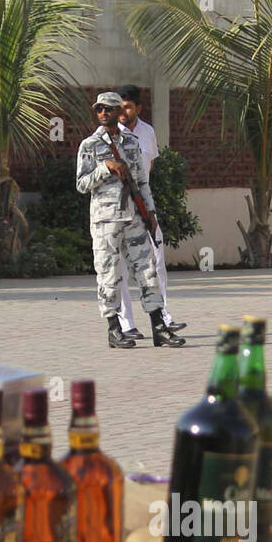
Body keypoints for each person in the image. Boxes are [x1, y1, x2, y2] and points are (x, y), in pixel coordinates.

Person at [75, 92, 185, 349]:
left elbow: (142, 183)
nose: (103, 113)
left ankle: (159, 327)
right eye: (99, 109)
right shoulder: (89, 146)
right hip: (106, 221)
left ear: (118, 112)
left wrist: (151, 215)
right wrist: (106, 168)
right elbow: (81, 184)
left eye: (108, 109)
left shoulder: (133, 143)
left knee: (148, 271)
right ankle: (114, 329)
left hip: (134, 218)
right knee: (109, 274)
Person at [116, 84, 185, 339]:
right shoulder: (107, 134)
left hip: (144, 205)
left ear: (138, 108)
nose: (122, 112)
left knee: (156, 260)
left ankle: (163, 315)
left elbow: (149, 166)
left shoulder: (148, 132)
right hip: (119, 209)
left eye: (127, 107)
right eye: (119, 107)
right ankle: (126, 324)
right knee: (121, 266)